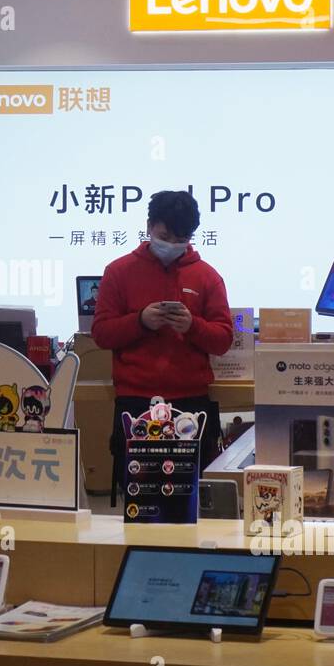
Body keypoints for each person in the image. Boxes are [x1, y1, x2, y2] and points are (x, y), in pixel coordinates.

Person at [91, 191, 234, 504]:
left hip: (191, 405)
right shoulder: (119, 271)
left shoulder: (207, 277)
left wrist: (192, 326)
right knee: (141, 504)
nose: (171, 244)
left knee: (191, 503)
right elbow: (101, 333)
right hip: (136, 404)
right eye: (164, 236)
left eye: (181, 238)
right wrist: (141, 321)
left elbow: (223, 339)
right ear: (149, 226)